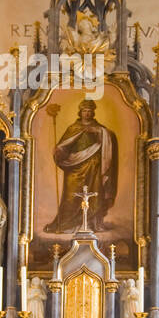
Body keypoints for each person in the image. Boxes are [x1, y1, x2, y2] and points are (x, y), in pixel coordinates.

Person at [45, 99, 118, 234]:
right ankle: (67, 224)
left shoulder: (100, 129)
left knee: (95, 193)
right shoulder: (73, 129)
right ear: (80, 112)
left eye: (90, 111)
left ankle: (92, 223)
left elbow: (109, 139)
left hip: (94, 167)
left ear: (93, 113)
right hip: (75, 168)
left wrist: (100, 133)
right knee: (71, 196)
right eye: (85, 111)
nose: (87, 114)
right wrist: (59, 150)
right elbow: (63, 147)